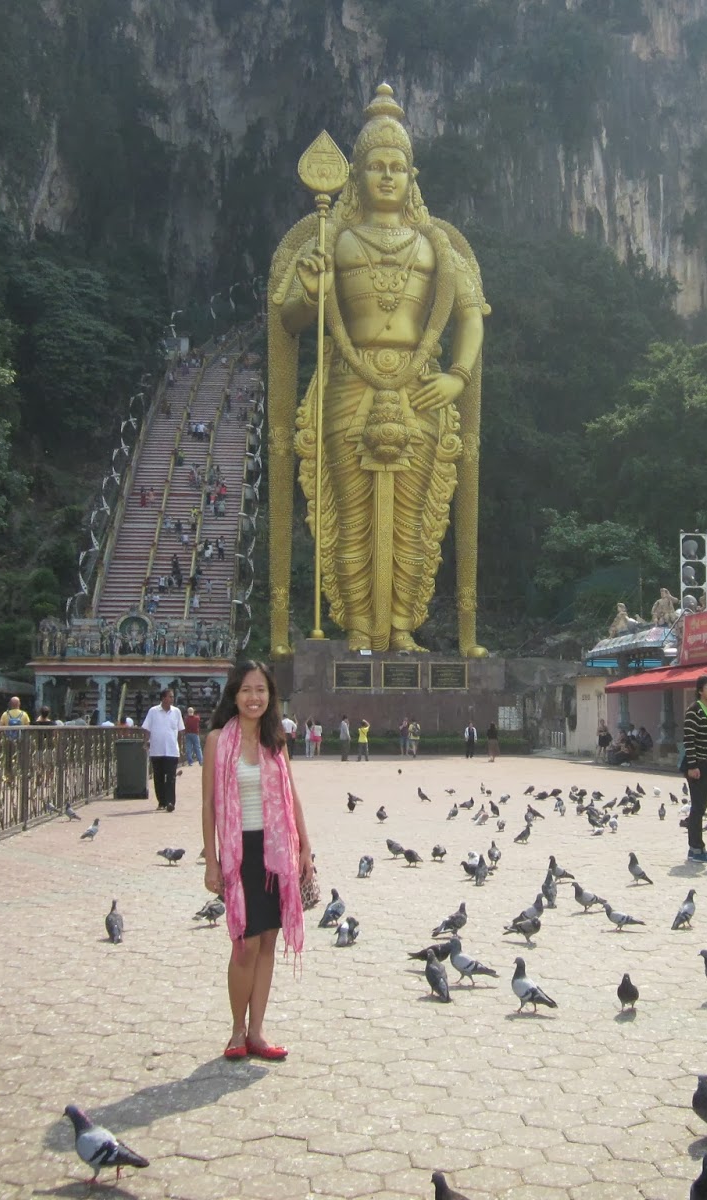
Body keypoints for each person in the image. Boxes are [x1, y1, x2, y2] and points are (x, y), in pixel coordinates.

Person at [268, 84, 488, 657]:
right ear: (356, 176)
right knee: (351, 513)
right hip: (349, 382)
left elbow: (471, 316)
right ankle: (359, 630)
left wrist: (457, 376)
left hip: (421, 387)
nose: (386, 177)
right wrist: (312, 291)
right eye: (375, 167)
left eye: (397, 167)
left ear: (411, 176)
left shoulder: (435, 243)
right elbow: (289, 318)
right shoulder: (332, 238)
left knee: (413, 519)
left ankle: (401, 626)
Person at [200, 660, 312, 1061]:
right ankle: (236, 1030)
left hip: (277, 850)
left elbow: (292, 797)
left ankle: (258, 1032)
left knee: (267, 940)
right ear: (235, 695)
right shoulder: (217, 740)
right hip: (239, 851)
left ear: (270, 696)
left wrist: (305, 848)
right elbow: (209, 805)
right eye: (247, 690)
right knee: (243, 944)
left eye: (261, 690)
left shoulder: (275, 740)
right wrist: (211, 861)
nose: (254, 698)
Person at [680, 675, 707, 864]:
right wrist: (692, 765)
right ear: (700, 691)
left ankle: (699, 847)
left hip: (706, 764)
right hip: (696, 765)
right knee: (697, 808)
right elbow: (689, 739)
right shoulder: (694, 711)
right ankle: (695, 849)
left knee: (702, 806)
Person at [142, 689, 184, 812]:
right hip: (157, 749)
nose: (172, 699)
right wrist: (146, 742)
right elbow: (147, 729)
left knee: (171, 777)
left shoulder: (176, 712)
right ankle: (161, 801)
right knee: (158, 777)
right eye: (170, 697)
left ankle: (170, 802)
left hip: (171, 750)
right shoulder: (153, 711)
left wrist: (180, 747)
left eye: (172, 697)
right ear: (163, 698)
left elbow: (180, 730)